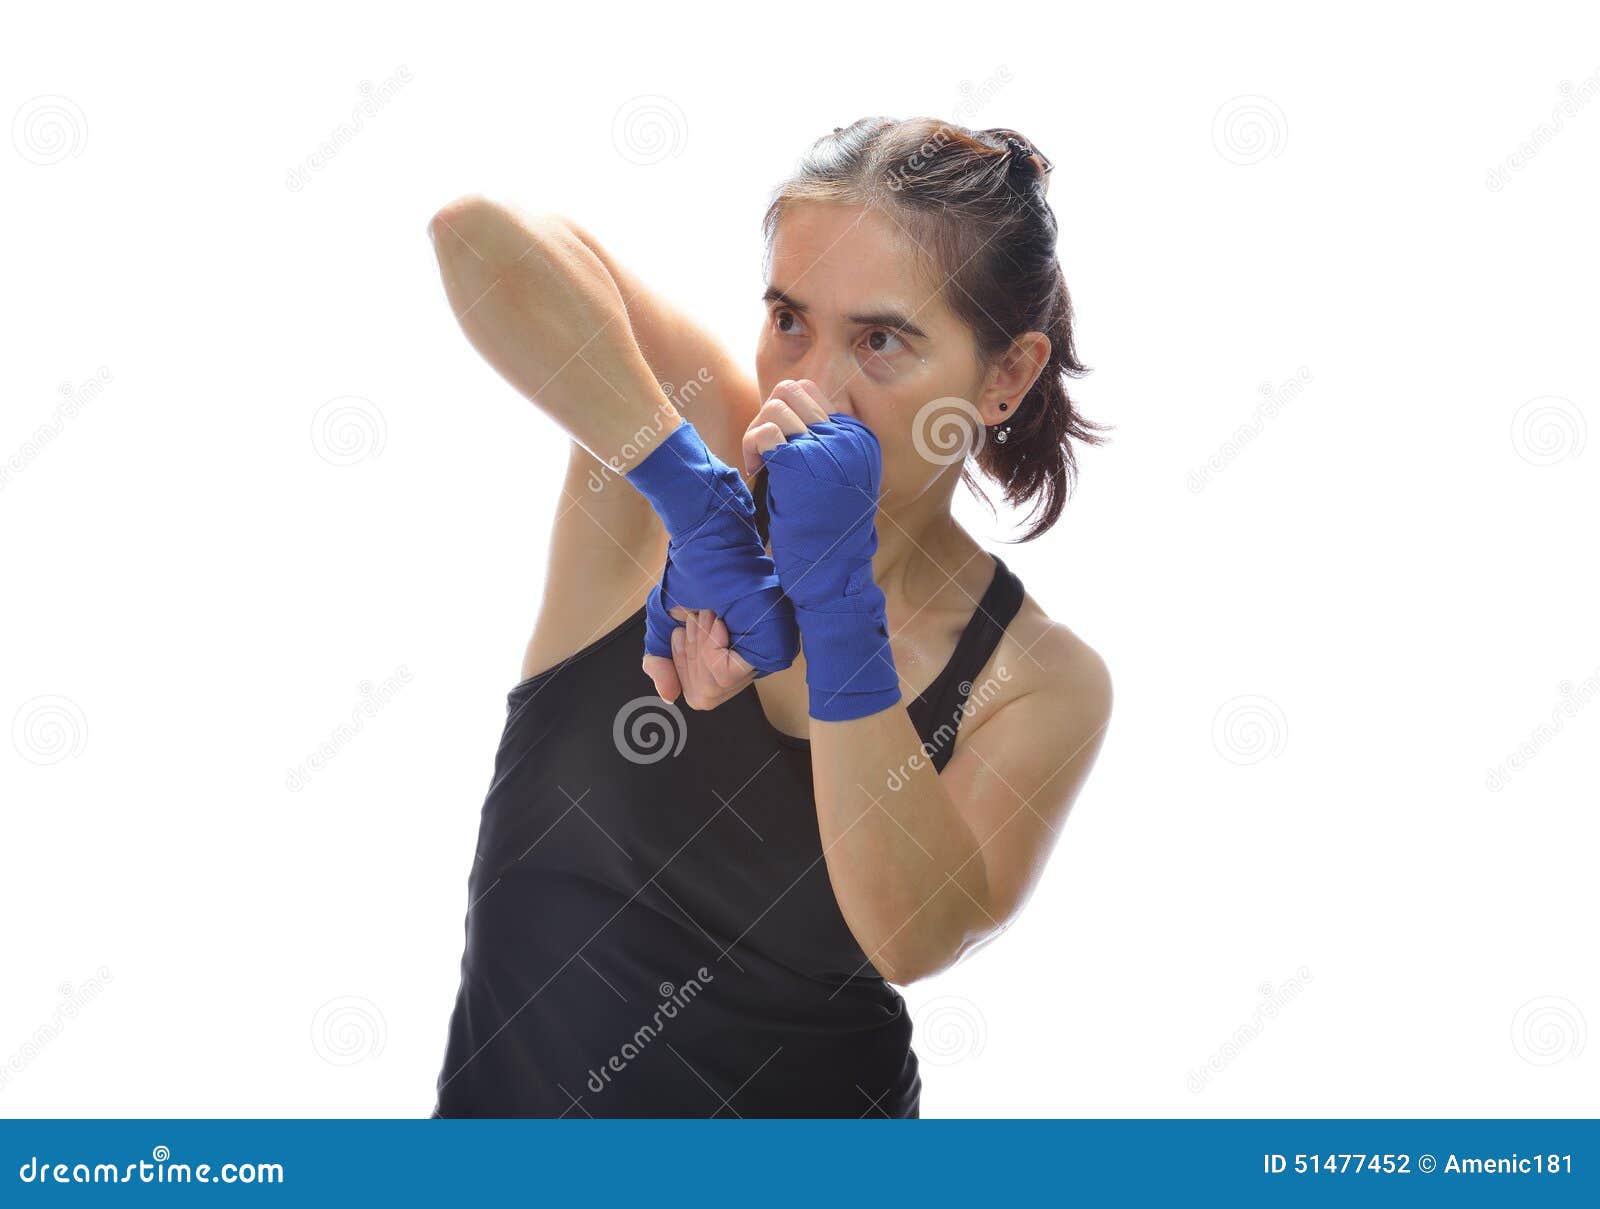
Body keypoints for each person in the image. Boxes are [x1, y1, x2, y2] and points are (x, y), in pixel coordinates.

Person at [428, 117, 1113, 1118]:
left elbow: (911, 935)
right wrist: (690, 494)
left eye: (879, 340)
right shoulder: (685, 429)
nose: (808, 386)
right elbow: (474, 235)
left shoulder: (1036, 677)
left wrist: (837, 604)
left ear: (1002, 376)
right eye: (789, 318)